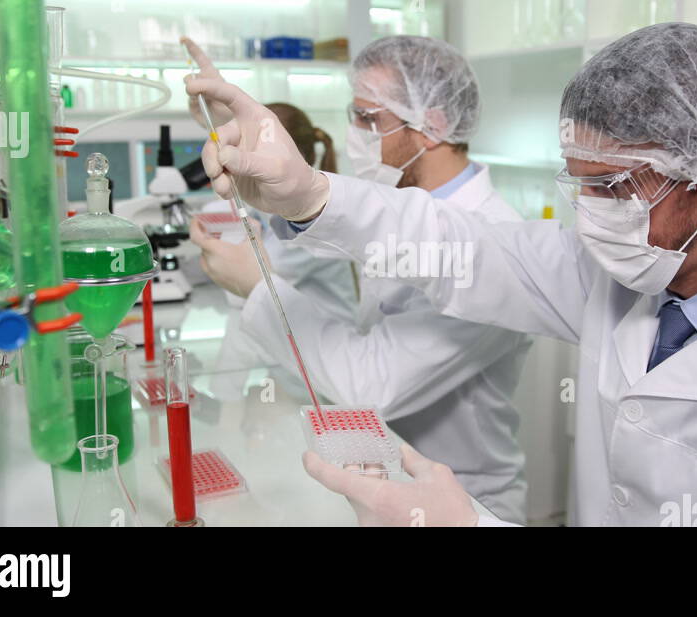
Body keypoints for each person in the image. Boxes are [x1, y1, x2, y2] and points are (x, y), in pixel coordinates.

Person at [186, 23, 697, 527]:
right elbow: (464, 248)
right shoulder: (619, 269)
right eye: (581, 186)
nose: (593, 214)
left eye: (616, 187)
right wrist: (309, 193)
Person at [184, 36, 533, 523]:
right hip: (385, 473)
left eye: (369, 119)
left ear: (431, 124)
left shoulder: (496, 244)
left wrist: (258, 288)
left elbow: (371, 382)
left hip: (464, 499)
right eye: (354, 114)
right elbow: (331, 227)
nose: (355, 135)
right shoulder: (401, 198)